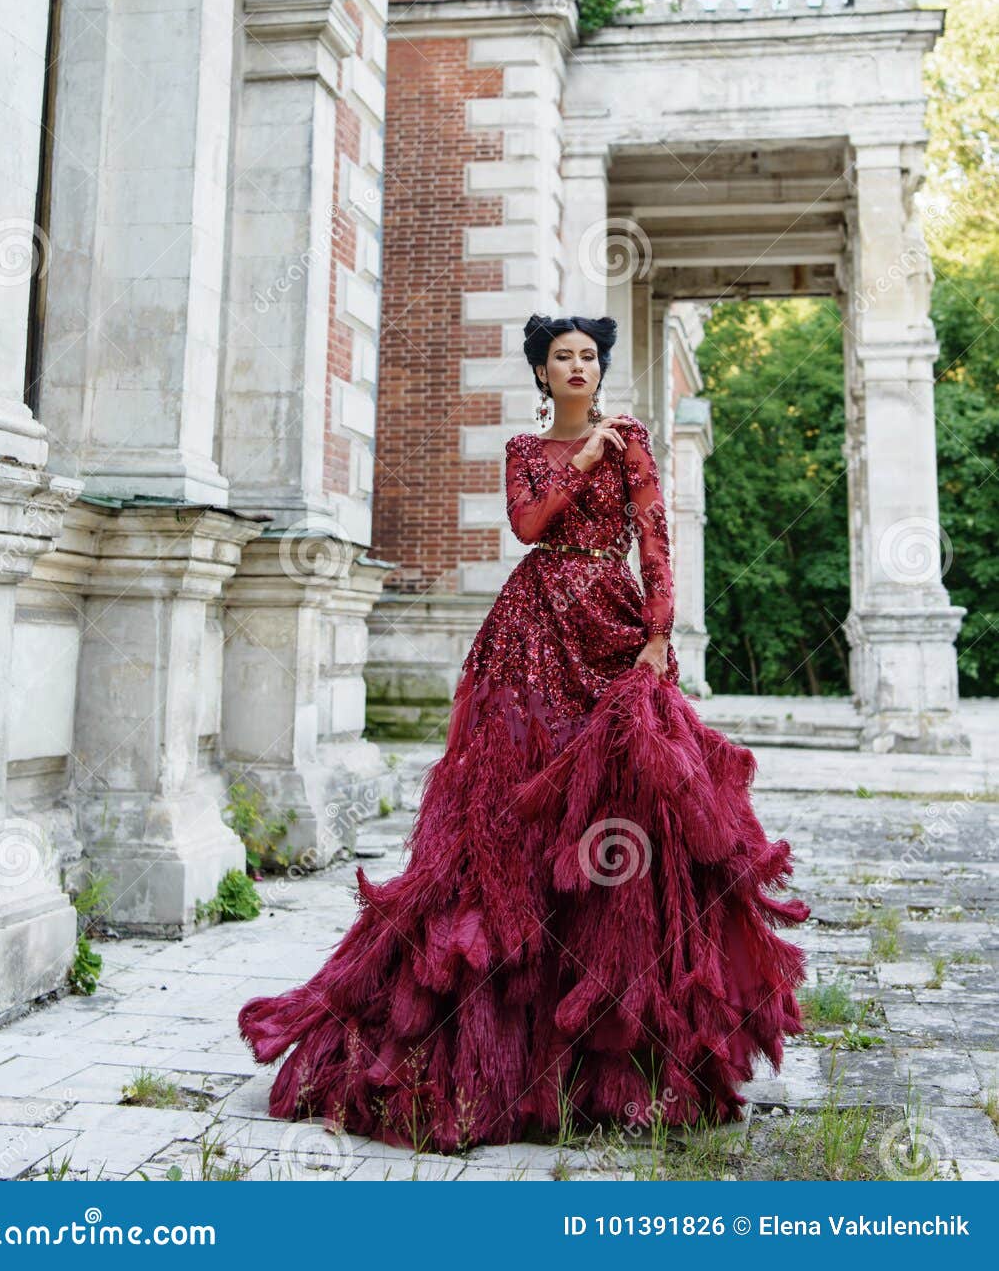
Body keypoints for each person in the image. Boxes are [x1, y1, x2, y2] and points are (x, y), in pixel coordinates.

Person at [238, 312, 810, 1154]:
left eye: (588, 356)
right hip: (530, 631)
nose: (576, 366)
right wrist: (581, 460)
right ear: (541, 375)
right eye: (560, 358)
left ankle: (619, 1059)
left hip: (611, 629)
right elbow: (528, 527)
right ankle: (502, 1043)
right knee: (509, 809)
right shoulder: (523, 451)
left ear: (600, 369)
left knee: (623, 811)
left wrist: (659, 631)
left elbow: (653, 536)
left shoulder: (636, 441)